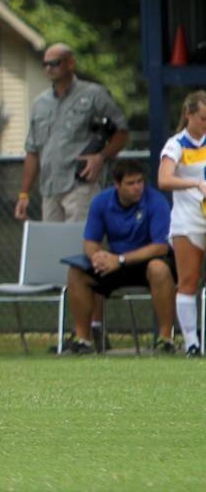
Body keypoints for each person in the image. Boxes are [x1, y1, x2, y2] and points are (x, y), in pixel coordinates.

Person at [65, 158, 175, 354]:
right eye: (130, 183)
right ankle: (82, 341)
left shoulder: (157, 201)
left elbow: (160, 247)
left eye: (140, 181)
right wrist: (97, 257)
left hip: (146, 264)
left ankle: (165, 340)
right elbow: (89, 242)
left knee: (159, 268)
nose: (137, 187)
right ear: (117, 184)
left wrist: (120, 260)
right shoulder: (101, 201)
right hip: (113, 265)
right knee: (77, 272)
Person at [15, 43, 129, 223]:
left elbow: (122, 131)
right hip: (50, 190)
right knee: (53, 241)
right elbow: (32, 151)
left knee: (78, 239)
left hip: (81, 185)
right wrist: (24, 194)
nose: (49, 68)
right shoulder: (40, 103)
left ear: (70, 63)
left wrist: (101, 157)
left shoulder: (94, 95)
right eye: (45, 64)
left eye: (55, 63)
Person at [157, 92, 206, 357]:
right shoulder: (176, 144)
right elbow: (164, 179)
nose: (205, 124)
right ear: (189, 114)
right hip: (189, 221)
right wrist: (196, 184)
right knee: (188, 281)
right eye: (202, 118)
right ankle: (191, 344)